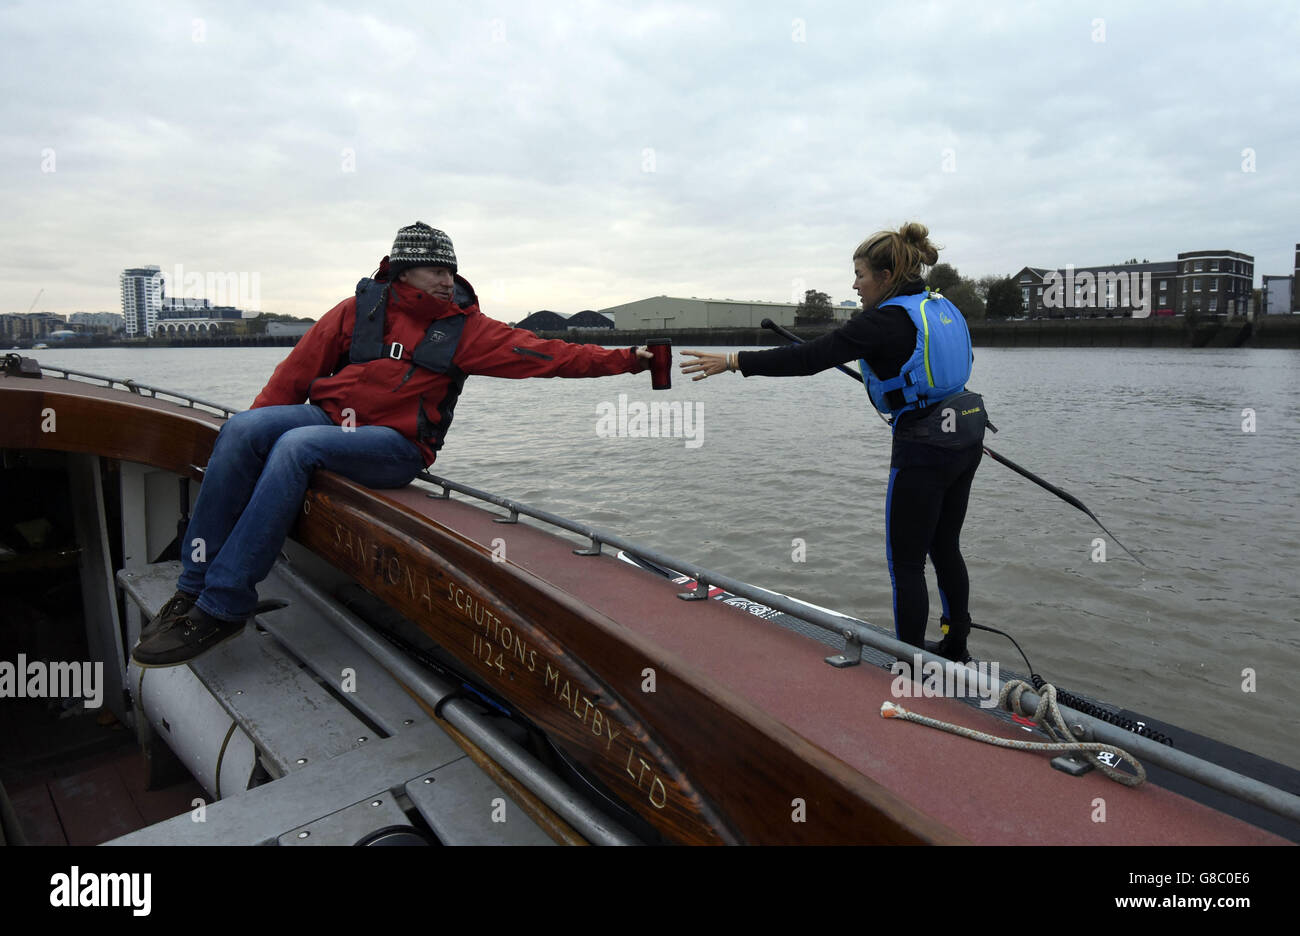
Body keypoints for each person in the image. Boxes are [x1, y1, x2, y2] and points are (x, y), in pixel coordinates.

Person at [132, 221, 651, 668]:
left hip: (395, 445)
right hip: (329, 417)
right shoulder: (359, 310)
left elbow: (553, 355)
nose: (449, 281)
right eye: (436, 271)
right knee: (245, 429)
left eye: (451, 271)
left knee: (296, 447)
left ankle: (223, 606)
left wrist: (633, 358)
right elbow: (293, 377)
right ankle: (193, 585)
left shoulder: (466, 330)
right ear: (403, 271)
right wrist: (252, 440)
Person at [680, 222, 987, 662]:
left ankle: (909, 664)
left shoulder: (882, 321)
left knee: (906, 563)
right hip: (966, 432)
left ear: (884, 277)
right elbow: (953, 363)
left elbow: (808, 359)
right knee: (945, 546)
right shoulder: (940, 307)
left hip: (924, 447)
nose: (855, 284)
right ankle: (957, 648)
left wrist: (733, 361)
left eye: (860, 274)